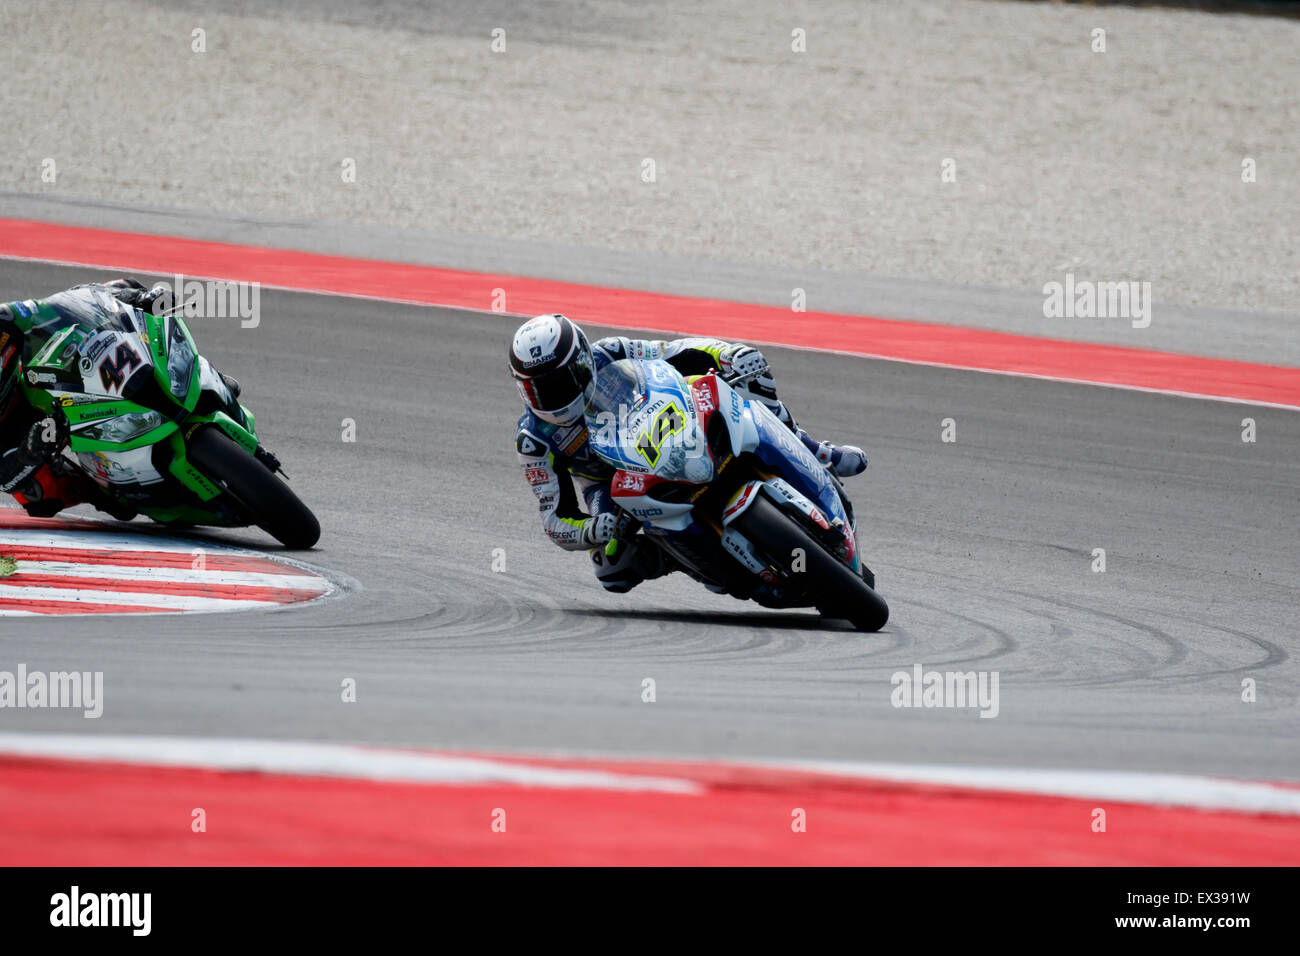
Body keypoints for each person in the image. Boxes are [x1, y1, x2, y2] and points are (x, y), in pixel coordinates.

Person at [509, 313, 868, 593]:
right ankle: (684, 560)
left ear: (582, 360)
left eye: (559, 382)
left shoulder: (611, 352)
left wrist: (728, 354)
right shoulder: (534, 439)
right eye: (539, 389)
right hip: (610, 479)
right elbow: (554, 518)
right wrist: (590, 529)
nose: (552, 396)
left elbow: (676, 352)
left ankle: (814, 450)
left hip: (664, 419)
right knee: (611, 567)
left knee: (748, 385)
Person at [0, 277, 235, 519]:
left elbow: (60, 305)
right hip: (22, 431)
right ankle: (102, 491)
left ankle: (204, 376)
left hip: (52, 373)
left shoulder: (5, 319)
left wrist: (133, 299)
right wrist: (28, 454)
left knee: (131, 301)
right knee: (39, 496)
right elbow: (5, 476)